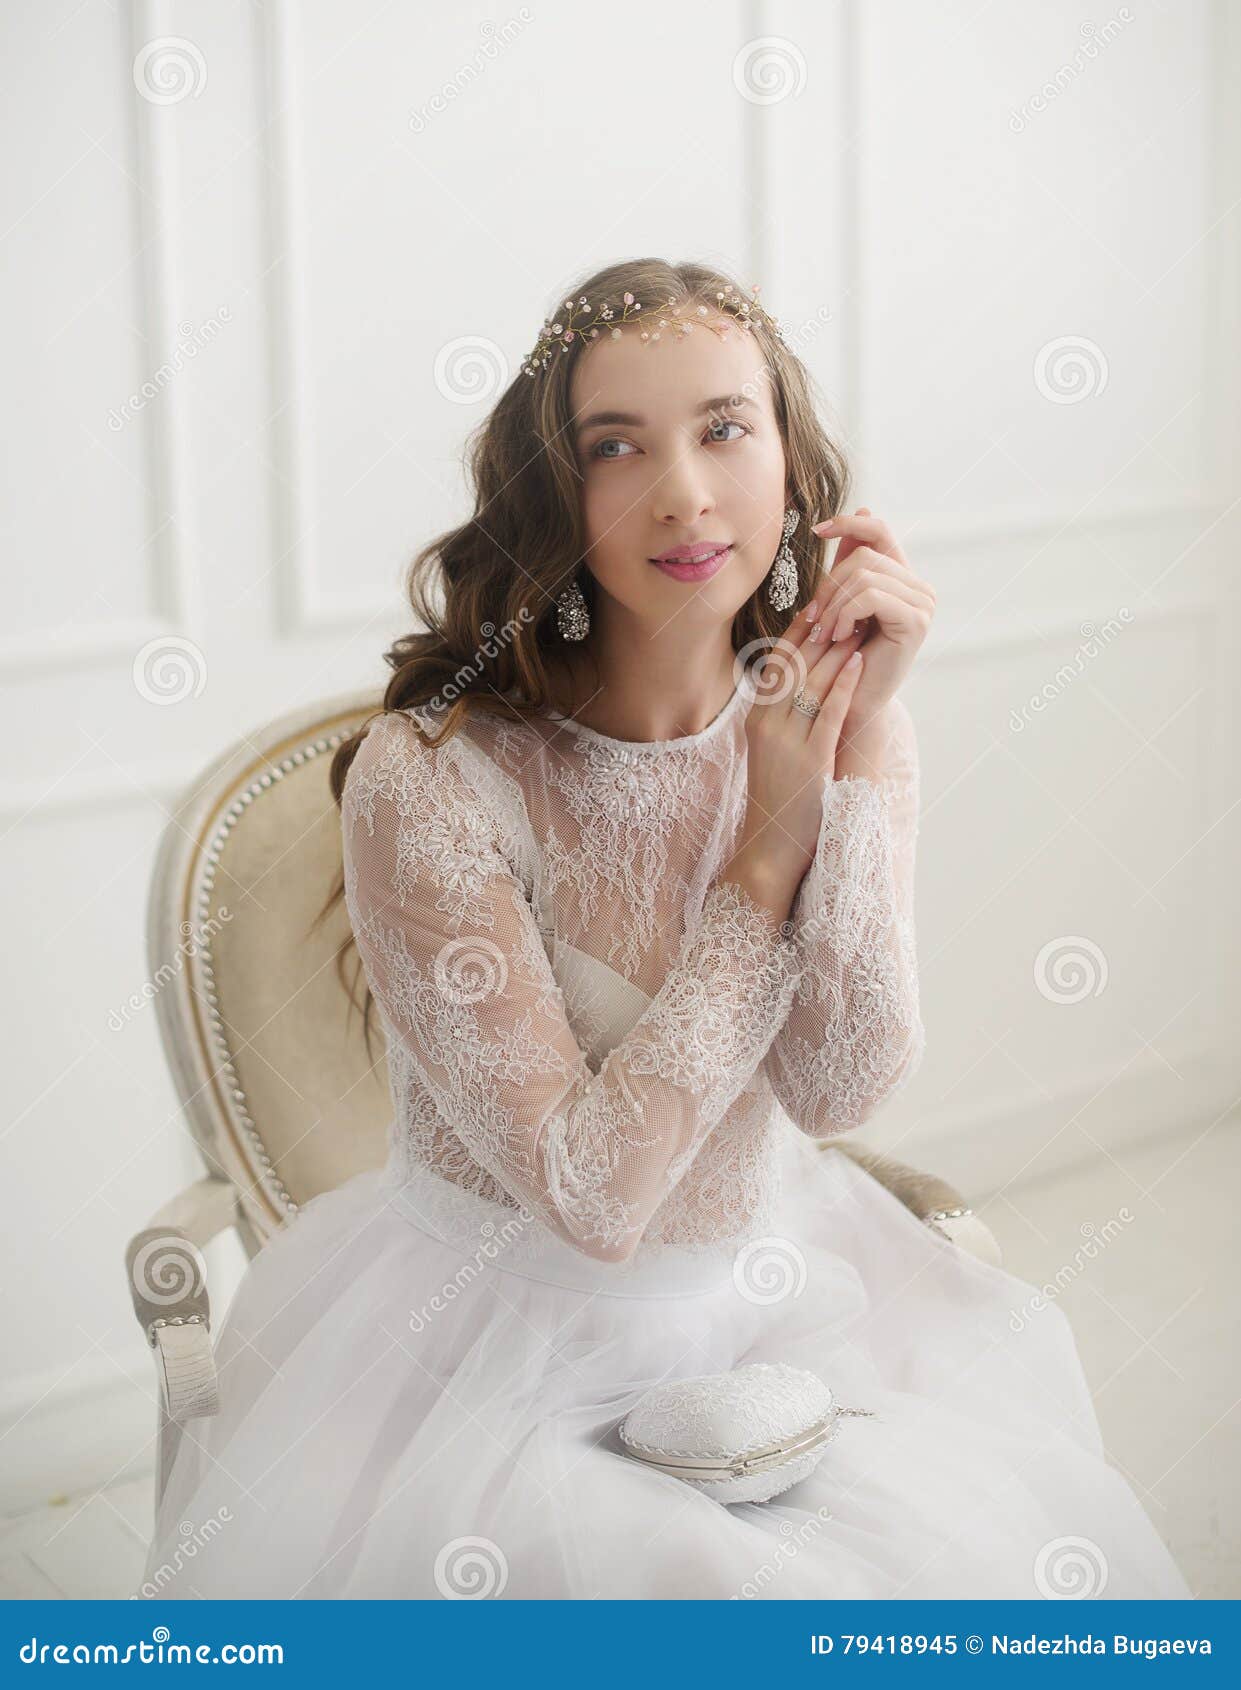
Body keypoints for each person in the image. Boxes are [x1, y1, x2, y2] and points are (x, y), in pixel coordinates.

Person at [136, 258, 1192, 1600]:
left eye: (722, 427)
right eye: (613, 445)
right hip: (483, 1347)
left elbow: (837, 1083)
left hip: (778, 1290)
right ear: (551, 493)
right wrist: (762, 857)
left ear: (796, 472)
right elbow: (591, 1197)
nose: (684, 492)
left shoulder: (841, 715)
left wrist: (856, 748)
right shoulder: (438, 774)